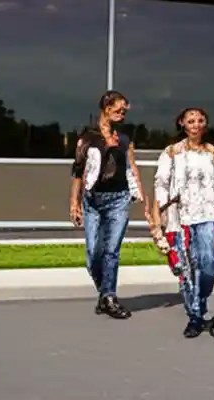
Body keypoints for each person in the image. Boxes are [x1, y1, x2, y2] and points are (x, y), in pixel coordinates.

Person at [154, 107, 214, 339]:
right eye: (191, 121)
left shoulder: (213, 154)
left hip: (207, 215)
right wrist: (163, 212)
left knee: (208, 264)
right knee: (186, 269)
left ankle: (201, 301)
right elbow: (161, 183)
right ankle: (195, 317)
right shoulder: (171, 153)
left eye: (200, 120)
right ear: (182, 124)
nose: (196, 124)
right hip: (181, 216)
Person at [70, 90, 144, 320]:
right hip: (93, 201)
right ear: (106, 108)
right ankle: (105, 294)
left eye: (124, 111)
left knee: (111, 251)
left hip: (118, 200)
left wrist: (140, 192)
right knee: (93, 254)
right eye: (119, 109)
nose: (122, 114)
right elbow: (78, 171)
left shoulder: (124, 138)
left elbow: (131, 166)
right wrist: (74, 203)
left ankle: (109, 296)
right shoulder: (87, 137)